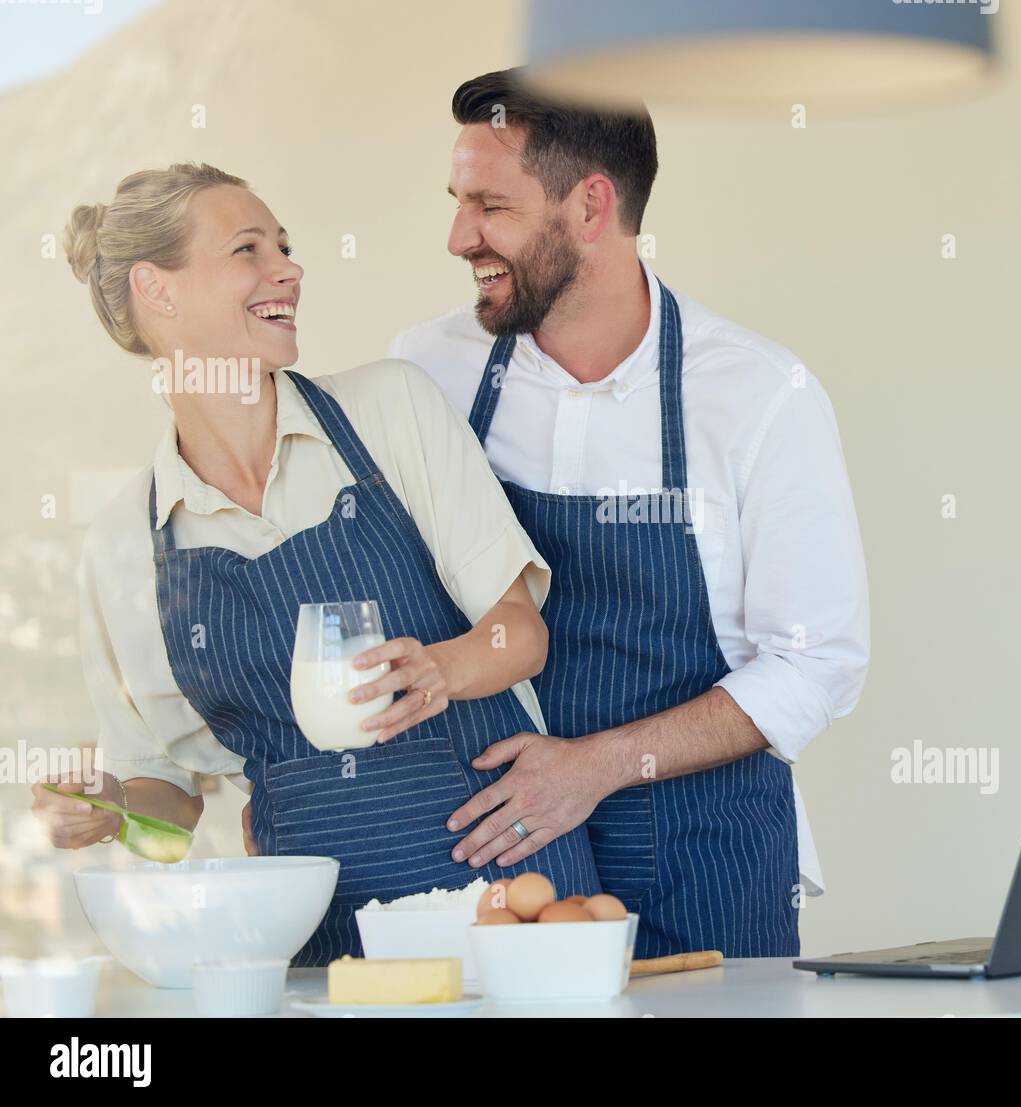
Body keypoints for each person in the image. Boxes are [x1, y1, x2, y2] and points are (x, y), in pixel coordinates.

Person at [32, 162, 600, 964]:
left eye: (287, 246)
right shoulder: (127, 541)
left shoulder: (388, 411)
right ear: (156, 290)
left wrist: (440, 668)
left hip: (503, 897)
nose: (288, 269)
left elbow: (521, 634)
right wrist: (114, 806)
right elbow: (172, 796)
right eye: (248, 250)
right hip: (312, 949)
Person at [387, 71, 872, 958]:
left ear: (590, 206)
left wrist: (595, 765)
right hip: (502, 857)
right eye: (458, 202)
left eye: (491, 205)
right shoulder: (428, 371)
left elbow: (817, 664)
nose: (460, 237)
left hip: (708, 858)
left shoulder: (759, 396)